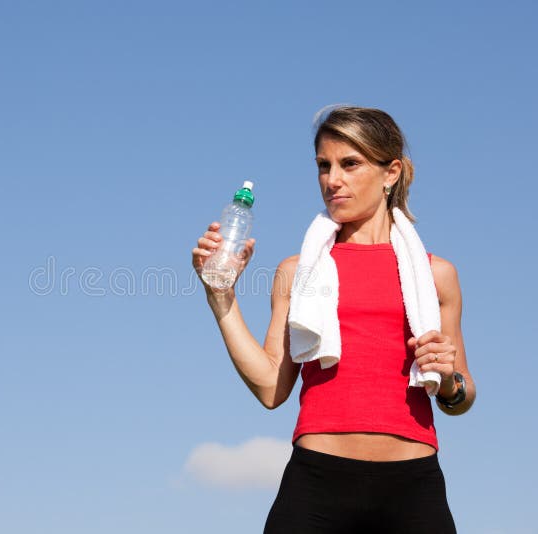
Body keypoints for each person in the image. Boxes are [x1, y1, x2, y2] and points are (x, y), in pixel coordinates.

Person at [191, 106, 475, 533]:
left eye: (349, 164)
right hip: (317, 484)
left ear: (390, 172)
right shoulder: (297, 271)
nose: (332, 180)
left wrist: (449, 379)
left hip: (413, 487)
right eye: (324, 166)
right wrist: (221, 297)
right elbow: (271, 388)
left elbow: (460, 396)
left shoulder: (437, 276)